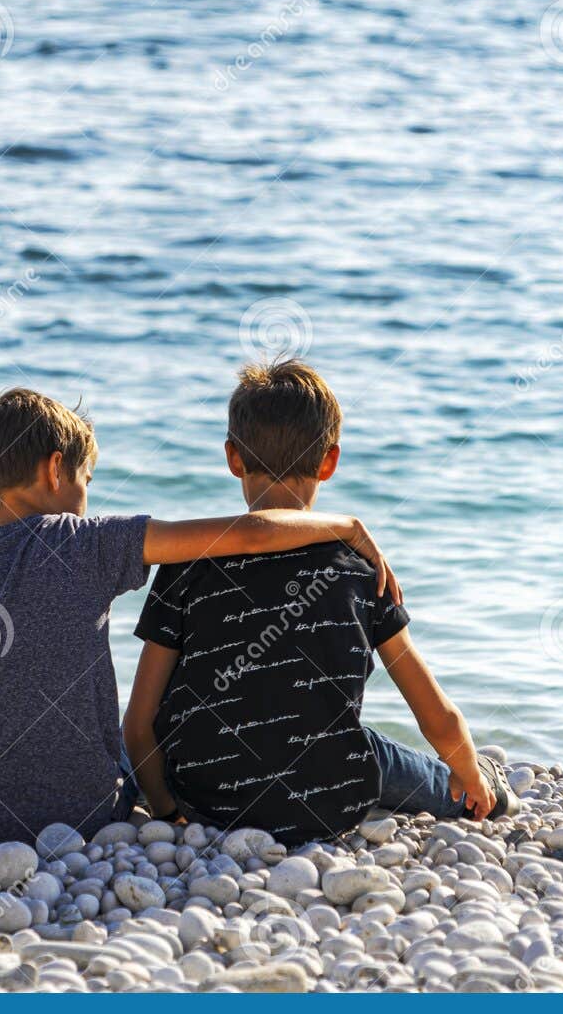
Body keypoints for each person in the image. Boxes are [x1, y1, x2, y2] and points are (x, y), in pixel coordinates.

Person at [0, 386, 402, 845]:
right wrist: (345, 525)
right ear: (57, 469)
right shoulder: (87, 544)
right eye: (85, 478)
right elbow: (248, 534)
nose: (86, 495)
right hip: (88, 811)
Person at [122, 359, 516, 846]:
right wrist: (468, 771)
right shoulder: (360, 568)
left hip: (206, 797)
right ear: (330, 462)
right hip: (330, 802)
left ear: (232, 458)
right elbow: (435, 715)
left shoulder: (186, 564)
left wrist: (168, 811)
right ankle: (482, 790)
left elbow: (139, 725)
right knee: (370, 750)